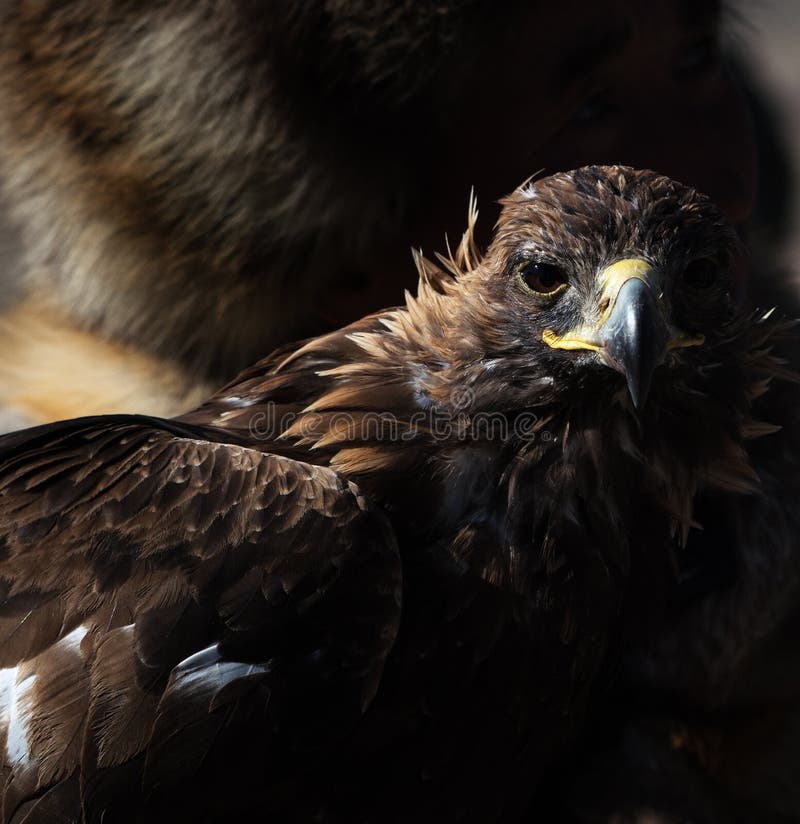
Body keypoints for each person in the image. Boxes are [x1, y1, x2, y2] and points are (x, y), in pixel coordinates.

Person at [0, 2, 796, 821]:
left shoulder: (722, 557)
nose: (729, 176)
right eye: (589, 106)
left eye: (700, 57)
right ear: (325, 225)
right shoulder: (168, 539)